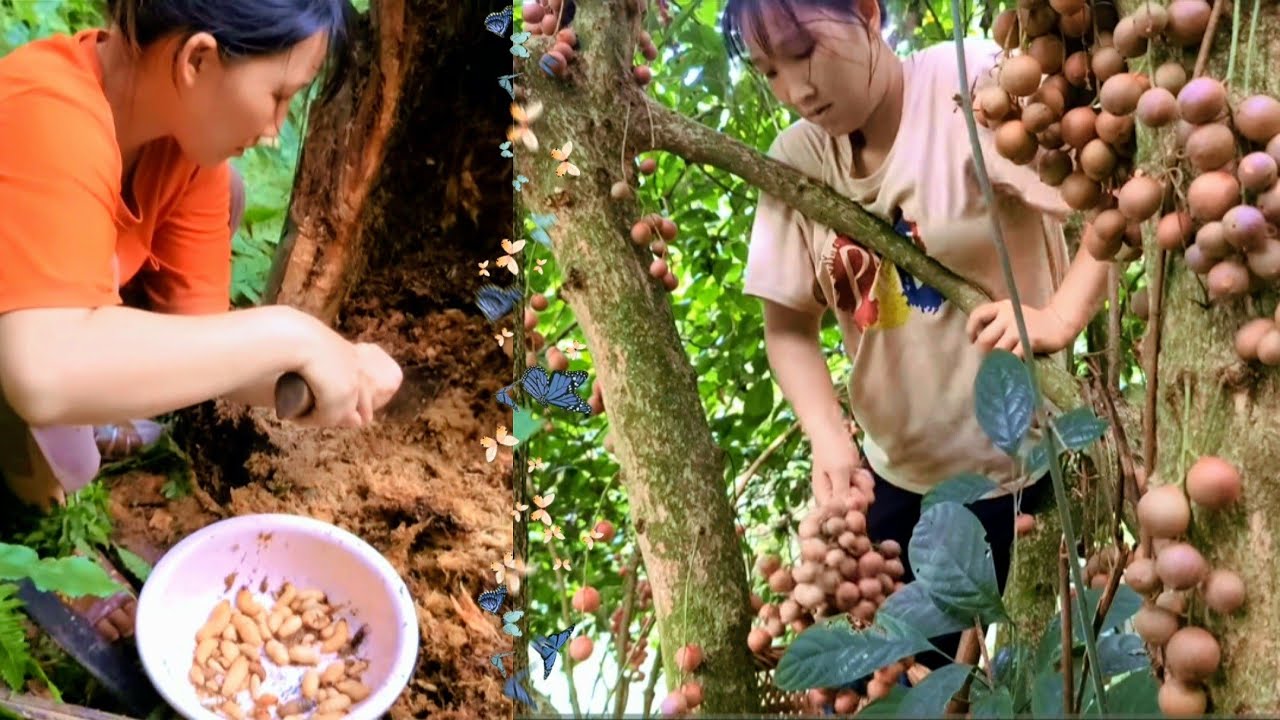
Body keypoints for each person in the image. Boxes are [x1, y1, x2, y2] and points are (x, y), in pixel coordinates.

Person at [721, 0, 1111, 669]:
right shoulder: (794, 159)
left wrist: (1063, 315)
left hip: (1025, 473)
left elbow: (1112, 195)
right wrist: (827, 435)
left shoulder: (970, 83)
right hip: (892, 476)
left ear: (868, 13)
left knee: (1034, 679)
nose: (797, 88)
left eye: (805, 51)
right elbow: (788, 326)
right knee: (902, 684)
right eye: (771, 71)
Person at [0, 0, 403, 642]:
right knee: (53, 380)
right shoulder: (46, 111)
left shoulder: (184, 153)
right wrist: (288, 333)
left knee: (231, 194)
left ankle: (94, 414)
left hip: (50, 331)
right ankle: (44, 528)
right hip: (22, 343)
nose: (276, 128)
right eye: (278, 95)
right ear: (197, 61)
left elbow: (203, 335)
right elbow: (40, 369)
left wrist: (334, 363)